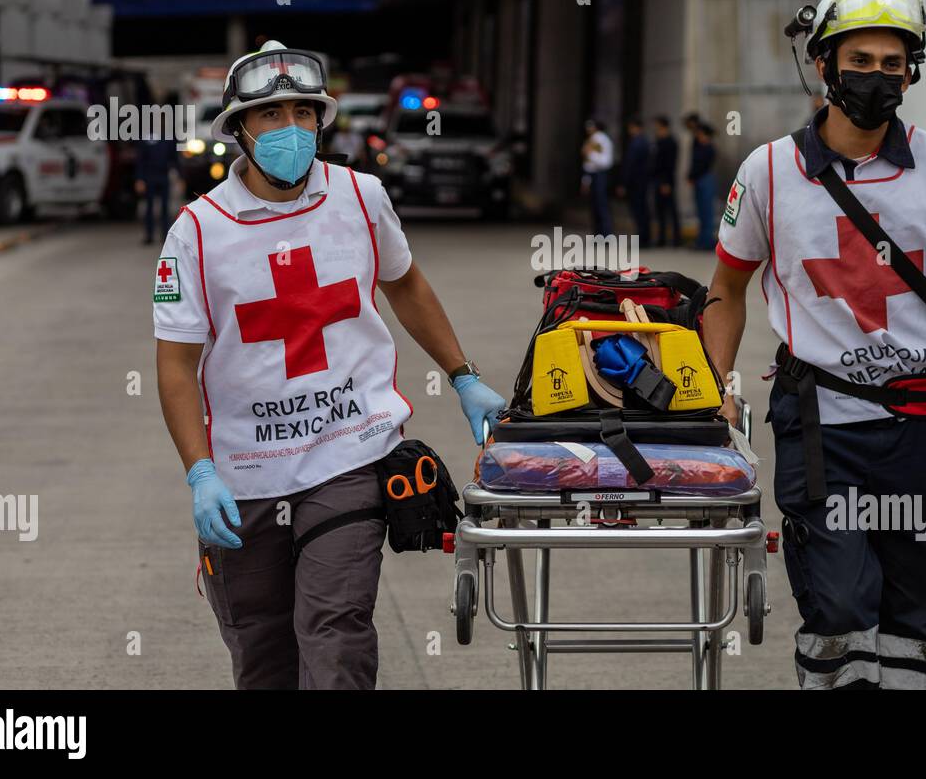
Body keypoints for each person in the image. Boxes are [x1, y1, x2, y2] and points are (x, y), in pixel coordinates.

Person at [702, 0, 926, 689]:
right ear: (825, 64)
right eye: (860, 62)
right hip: (820, 424)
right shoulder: (769, 172)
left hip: (920, 426)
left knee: (917, 609)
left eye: (893, 65)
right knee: (837, 604)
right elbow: (725, 293)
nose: (877, 77)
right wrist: (717, 390)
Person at [153, 41, 506, 689]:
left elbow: (406, 285)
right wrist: (200, 471)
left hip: (348, 453)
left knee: (336, 630)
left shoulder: (361, 197)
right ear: (239, 130)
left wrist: (464, 375)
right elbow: (175, 364)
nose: (291, 129)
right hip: (247, 477)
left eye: (303, 112)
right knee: (262, 654)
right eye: (270, 115)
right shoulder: (197, 232)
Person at [135, 129, 180, 245]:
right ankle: (149, 235)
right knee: (149, 207)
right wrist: (139, 179)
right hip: (149, 177)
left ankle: (165, 235)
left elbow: (175, 158)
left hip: (163, 176)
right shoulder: (145, 136)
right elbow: (140, 159)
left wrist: (180, 177)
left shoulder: (169, 137)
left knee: (165, 208)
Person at [618, 114, 653, 248]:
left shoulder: (636, 143)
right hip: (642, 181)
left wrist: (623, 183)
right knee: (643, 210)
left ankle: (642, 238)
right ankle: (645, 237)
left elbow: (630, 165)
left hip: (635, 182)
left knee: (639, 210)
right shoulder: (644, 141)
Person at [687, 120, 718, 250]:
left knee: (707, 211)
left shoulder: (709, 148)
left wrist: (693, 176)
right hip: (699, 180)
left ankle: (707, 240)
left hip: (705, 179)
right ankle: (702, 240)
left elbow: (702, 166)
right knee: (700, 211)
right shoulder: (698, 146)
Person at [581, 117, 614, 237]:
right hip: (593, 175)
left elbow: (605, 161)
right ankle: (598, 234)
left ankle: (606, 234)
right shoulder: (592, 139)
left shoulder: (601, 139)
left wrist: (590, 153)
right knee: (594, 206)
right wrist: (586, 180)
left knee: (601, 205)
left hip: (601, 174)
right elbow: (587, 164)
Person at [652, 115, 681, 247]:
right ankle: (662, 238)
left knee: (671, 210)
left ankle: (676, 239)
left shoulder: (670, 142)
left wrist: (666, 183)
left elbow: (669, 165)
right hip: (658, 180)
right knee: (660, 211)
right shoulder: (659, 141)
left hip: (665, 181)